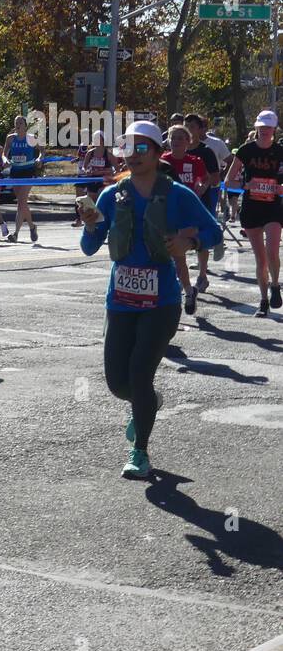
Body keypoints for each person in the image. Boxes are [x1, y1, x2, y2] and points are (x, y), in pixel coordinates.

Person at [79, 120, 222, 478]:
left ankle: (139, 451)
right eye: (129, 147)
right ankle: (148, 404)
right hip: (121, 301)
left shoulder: (177, 195)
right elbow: (88, 247)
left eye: (143, 148)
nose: (135, 154)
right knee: (117, 382)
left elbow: (213, 231)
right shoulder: (112, 195)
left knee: (140, 375)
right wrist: (90, 223)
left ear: (158, 153)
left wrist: (189, 243)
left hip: (162, 304)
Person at [224, 110, 283, 318]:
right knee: (260, 259)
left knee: (272, 251)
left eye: (269, 127)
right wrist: (246, 184)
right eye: (261, 127)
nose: (265, 131)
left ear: (274, 129)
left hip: (274, 208)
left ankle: (275, 285)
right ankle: (264, 300)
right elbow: (228, 180)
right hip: (251, 208)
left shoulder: (280, 151)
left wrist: (280, 188)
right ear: (256, 128)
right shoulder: (245, 150)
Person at [160, 124, 210, 314]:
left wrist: (201, 187)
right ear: (168, 141)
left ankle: (185, 289)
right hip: (166, 213)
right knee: (175, 258)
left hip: (187, 213)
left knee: (178, 254)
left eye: (182, 137)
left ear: (189, 142)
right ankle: (187, 291)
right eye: (174, 137)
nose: (178, 141)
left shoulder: (195, 161)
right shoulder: (163, 161)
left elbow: (207, 179)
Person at [184, 113, 228, 284]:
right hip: (180, 201)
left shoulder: (206, 151)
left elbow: (215, 178)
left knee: (201, 235)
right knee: (177, 235)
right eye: (186, 126)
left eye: (192, 127)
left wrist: (204, 183)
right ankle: (179, 276)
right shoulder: (177, 150)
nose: (188, 130)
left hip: (203, 198)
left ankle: (202, 275)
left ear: (200, 129)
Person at [4, 115, 40, 242]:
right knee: (21, 203)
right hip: (15, 172)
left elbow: (42, 150)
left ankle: (16, 234)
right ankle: (32, 226)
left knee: (21, 201)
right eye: (16, 123)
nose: (18, 125)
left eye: (20, 123)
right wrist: (6, 160)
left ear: (25, 125)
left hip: (28, 172)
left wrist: (40, 158)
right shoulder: (10, 138)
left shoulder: (31, 138)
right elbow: (4, 154)